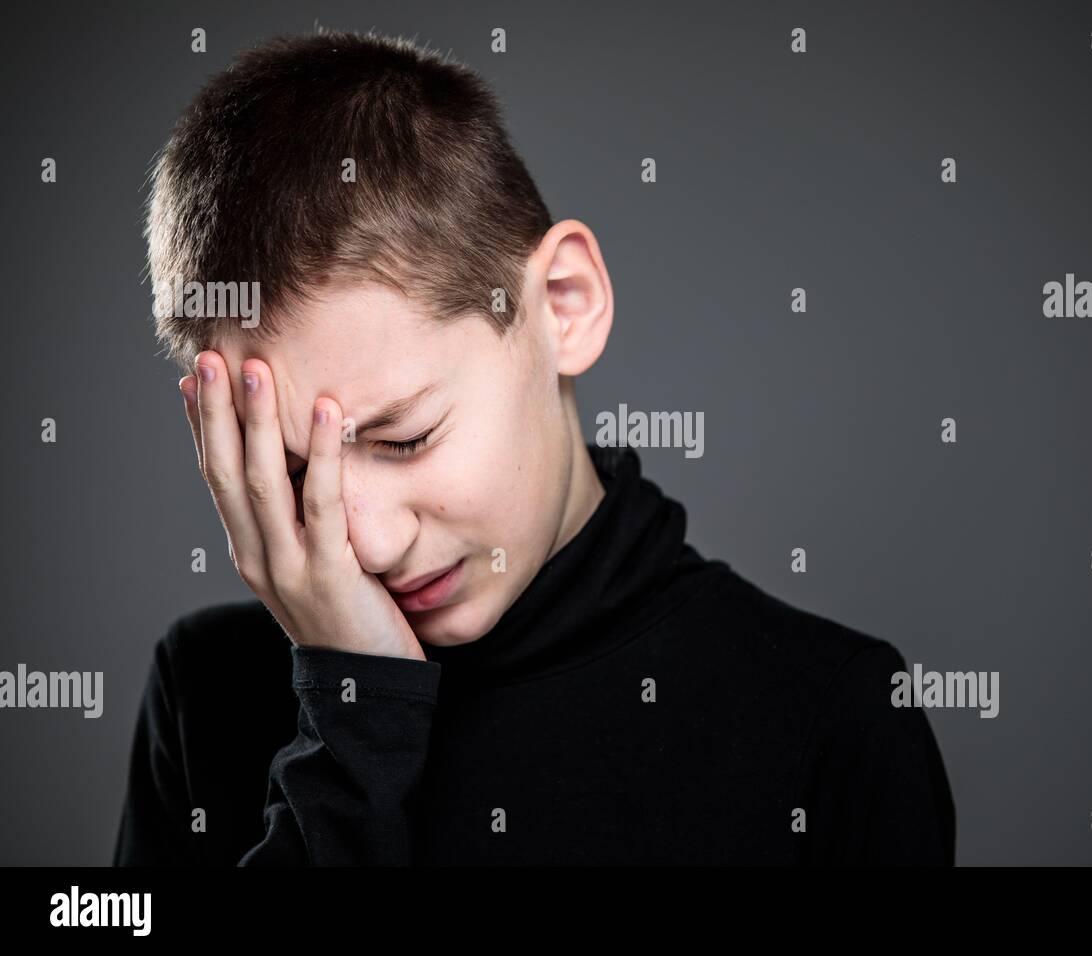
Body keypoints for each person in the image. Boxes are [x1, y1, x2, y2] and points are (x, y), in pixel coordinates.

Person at [113, 29, 955, 865]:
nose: (366, 541)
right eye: (298, 475)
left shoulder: (832, 720)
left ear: (564, 302)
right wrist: (352, 727)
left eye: (405, 438)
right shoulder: (205, 690)